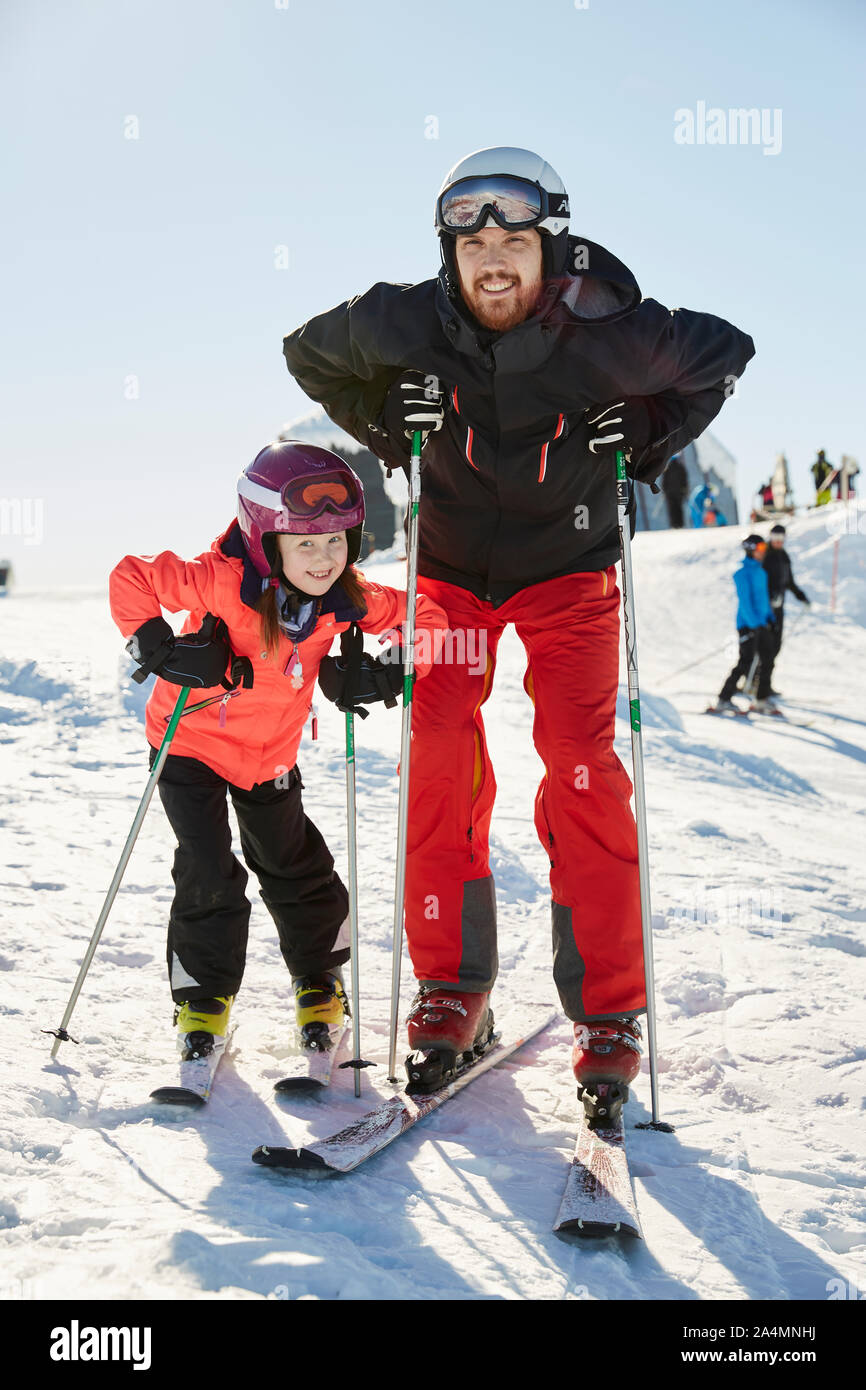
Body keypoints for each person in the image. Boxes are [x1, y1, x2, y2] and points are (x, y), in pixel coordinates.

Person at [281, 145, 754, 1104]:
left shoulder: (613, 331)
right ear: (450, 251)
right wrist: (384, 415)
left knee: (579, 761)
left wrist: (650, 434)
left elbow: (726, 353)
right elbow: (308, 352)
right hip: (451, 575)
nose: (493, 259)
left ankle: (609, 1010)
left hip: (569, 576)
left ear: (551, 245)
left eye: (514, 239)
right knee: (440, 750)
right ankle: (454, 990)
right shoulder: (407, 319)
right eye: (473, 242)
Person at [108, 441, 448, 1065]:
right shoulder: (219, 581)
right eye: (306, 544)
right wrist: (160, 647)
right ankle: (203, 1000)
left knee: (292, 864)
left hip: (269, 758)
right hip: (189, 744)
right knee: (209, 868)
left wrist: (394, 666)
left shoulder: (346, 599)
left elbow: (427, 615)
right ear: (267, 541)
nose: (324, 559)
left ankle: (320, 982)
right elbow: (132, 575)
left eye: (337, 541)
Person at [714, 536, 776, 712]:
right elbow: (745, 602)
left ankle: (761, 699)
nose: (763, 552)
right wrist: (754, 624)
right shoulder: (742, 574)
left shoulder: (761, 572)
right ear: (750, 550)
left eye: (764, 548)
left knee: (768, 660)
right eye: (760, 548)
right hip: (748, 625)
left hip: (762, 623)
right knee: (745, 661)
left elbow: (763, 599)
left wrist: (770, 617)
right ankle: (723, 699)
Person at [760, 523, 809, 695]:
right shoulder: (764, 555)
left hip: (779, 607)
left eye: (781, 539)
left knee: (776, 646)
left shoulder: (784, 556)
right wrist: (769, 596)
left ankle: (764, 683)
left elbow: (789, 581)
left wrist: (801, 596)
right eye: (775, 538)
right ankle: (755, 682)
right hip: (765, 608)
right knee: (764, 646)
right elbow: (759, 582)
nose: (778, 542)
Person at [661, 453, 688, 528]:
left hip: (670, 493)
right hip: (679, 492)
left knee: (672, 508)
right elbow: (685, 481)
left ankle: (674, 524)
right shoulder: (681, 467)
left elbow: (664, 481)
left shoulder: (667, 469)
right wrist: (685, 490)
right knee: (679, 508)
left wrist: (664, 491)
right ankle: (680, 524)